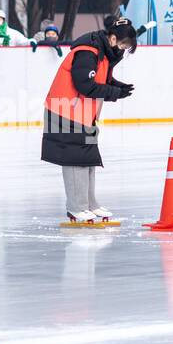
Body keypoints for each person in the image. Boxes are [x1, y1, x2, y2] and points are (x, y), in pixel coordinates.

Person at [41, 14, 138, 223]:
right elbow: (85, 85)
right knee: (75, 159)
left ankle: (89, 203)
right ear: (112, 37)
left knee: (88, 158)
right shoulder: (88, 51)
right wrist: (114, 93)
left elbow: (100, 78)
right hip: (65, 109)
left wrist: (118, 86)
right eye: (122, 44)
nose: (122, 49)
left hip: (83, 114)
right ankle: (76, 206)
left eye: (126, 46)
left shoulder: (104, 52)